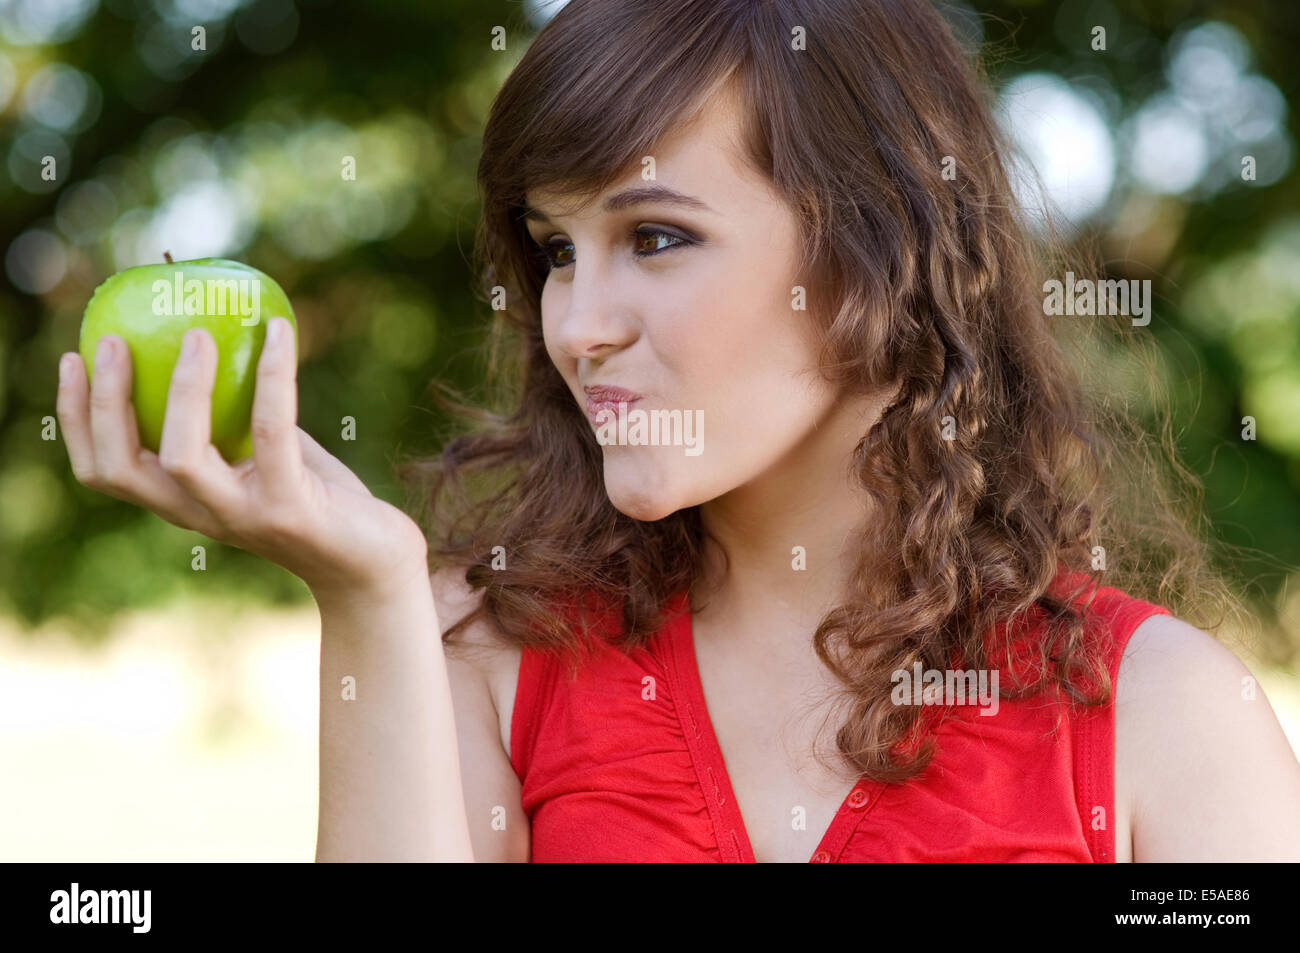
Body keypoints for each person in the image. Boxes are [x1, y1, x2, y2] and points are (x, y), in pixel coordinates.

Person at [56, 0, 1300, 862]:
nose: (576, 325)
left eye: (655, 236)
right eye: (554, 249)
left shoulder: (1161, 712)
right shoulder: (489, 666)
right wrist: (367, 590)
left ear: (879, 254)